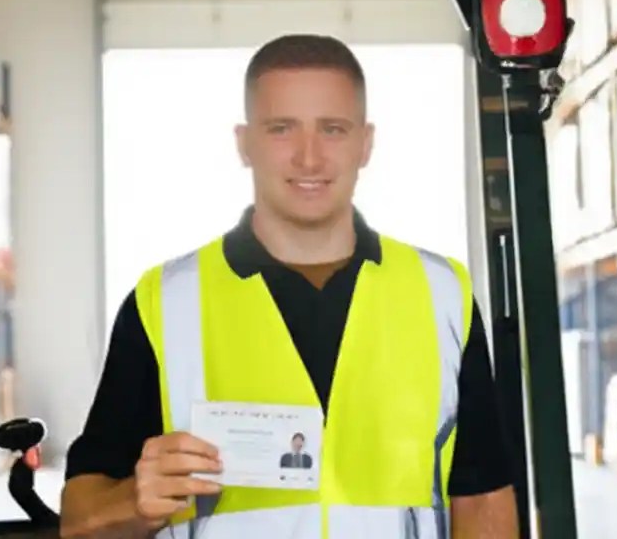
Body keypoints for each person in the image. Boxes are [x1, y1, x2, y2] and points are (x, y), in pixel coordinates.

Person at [59, 34, 519, 539]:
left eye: (333, 129)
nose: (309, 158)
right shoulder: (164, 303)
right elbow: (80, 520)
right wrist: (135, 504)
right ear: (244, 143)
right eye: (281, 129)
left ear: (366, 144)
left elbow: (482, 499)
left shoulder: (442, 295)